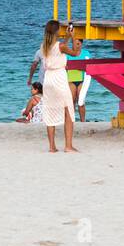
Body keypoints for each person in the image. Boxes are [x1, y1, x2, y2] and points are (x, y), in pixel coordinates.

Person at [38, 19, 84, 152]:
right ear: (57, 31)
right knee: (68, 110)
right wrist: (74, 36)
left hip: (48, 79)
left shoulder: (44, 46)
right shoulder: (60, 46)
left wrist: (67, 39)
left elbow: (58, 49)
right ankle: (68, 146)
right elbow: (76, 53)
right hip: (59, 77)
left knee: (50, 110)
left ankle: (52, 147)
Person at [68, 43, 93, 122]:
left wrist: (80, 68)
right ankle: (71, 120)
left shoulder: (86, 53)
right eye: (75, 43)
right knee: (72, 101)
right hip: (70, 79)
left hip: (82, 79)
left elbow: (89, 66)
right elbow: (63, 65)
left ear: (81, 44)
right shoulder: (68, 53)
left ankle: (83, 121)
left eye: (78, 43)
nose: (76, 45)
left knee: (81, 101)